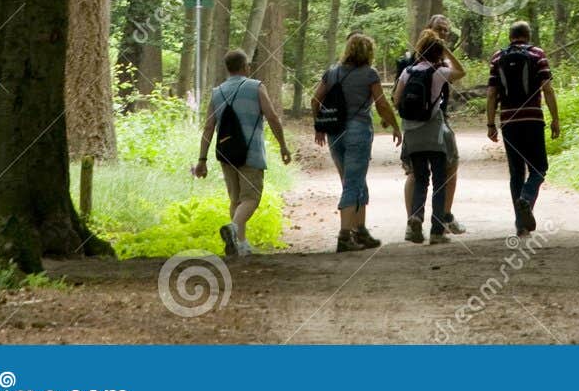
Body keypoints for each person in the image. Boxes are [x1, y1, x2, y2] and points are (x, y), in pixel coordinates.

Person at [193, 48, 291, 258]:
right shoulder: (256, 87)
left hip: (226, 153)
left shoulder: (217, 92)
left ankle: (241, 245)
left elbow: (209, 127)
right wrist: (283, 145)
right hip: (251, 152)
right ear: (246, 67)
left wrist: (202, 159)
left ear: (227, 68)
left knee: (236, 200)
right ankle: (233, 229)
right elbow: (272, 117)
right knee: (252, 198)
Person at [313, 32, 402, 253]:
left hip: (335, 133)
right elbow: (381, 104)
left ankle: (360, 231)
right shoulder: (369, 74)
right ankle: (344, 235)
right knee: (353, 182)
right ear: (368, 52)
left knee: (354, 180)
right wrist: (395, 126)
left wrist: (320, 126)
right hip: (358, 132)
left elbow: (315, 100)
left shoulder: (332, 73)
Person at [485, 20, 560, 237]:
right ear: (528, 35)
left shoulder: (498, 57)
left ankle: (520, 224)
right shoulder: (537, 54)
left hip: (509, 122)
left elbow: (491, 94)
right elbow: (547, 89)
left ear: (510, 37)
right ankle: (526, 200)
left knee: (516, 172)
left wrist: (491, 124)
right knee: (538, 169)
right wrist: (555, 118)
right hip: (533, 120)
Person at [396, 14, 467, 234]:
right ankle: (432, 222)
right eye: (439, 29)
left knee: (426, 174)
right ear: (429, 29)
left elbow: (397, 98)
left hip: (421, 123)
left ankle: (431, 218)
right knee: (436, 173)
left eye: (446, 30)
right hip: (433, 124)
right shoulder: (436, 66)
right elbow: (460, 73)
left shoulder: (409, 67)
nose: (443, 33)